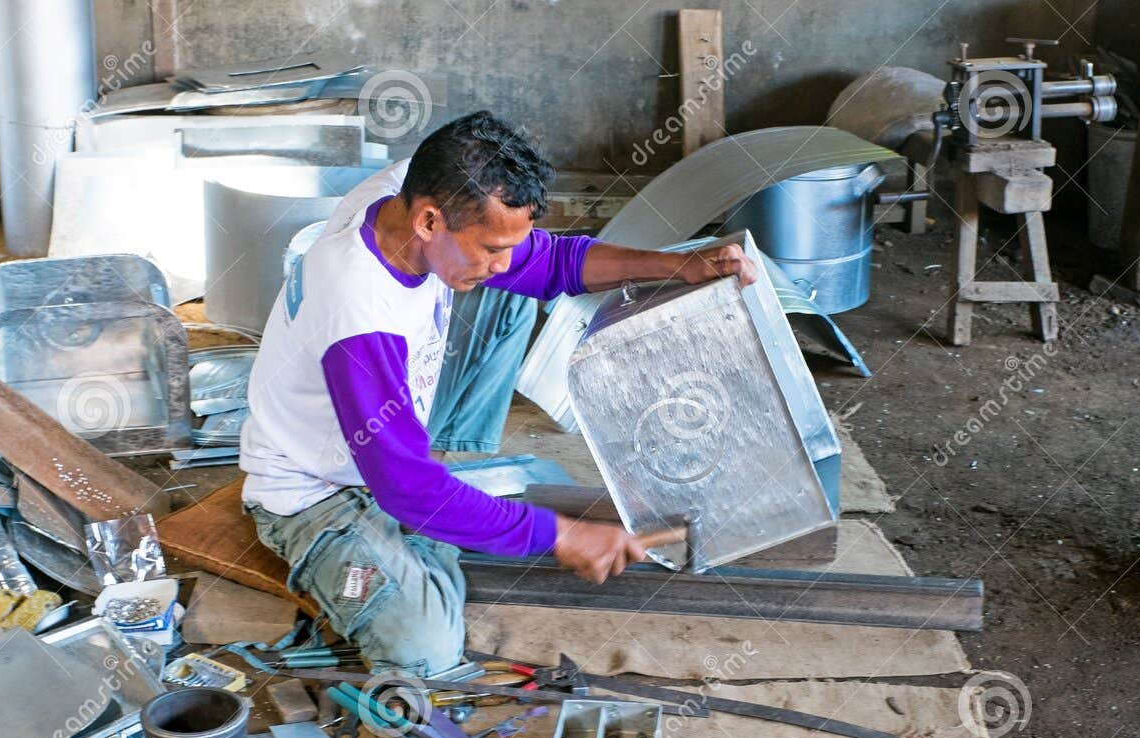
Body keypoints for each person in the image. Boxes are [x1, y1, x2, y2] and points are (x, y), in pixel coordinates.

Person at [241, 110, 755, 675]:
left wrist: (679, 265)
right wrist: (559, 536)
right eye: (488, 246)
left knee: (506, 293)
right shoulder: (359, 314)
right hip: (313, 489)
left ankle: (438, 525)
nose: (504, 260)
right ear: (429, 221)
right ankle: (407, 544)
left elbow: (549, 262)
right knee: (427, 648)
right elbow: (405, 487)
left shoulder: (409, 188)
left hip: (380, 445)